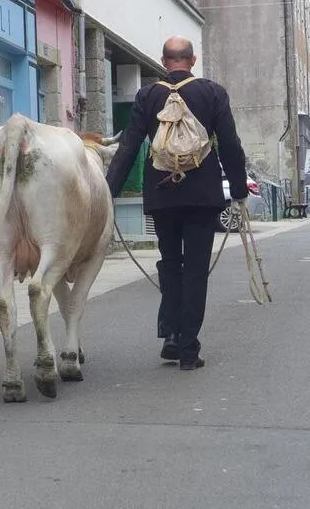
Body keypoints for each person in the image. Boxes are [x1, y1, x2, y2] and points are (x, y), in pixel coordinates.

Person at [105, 36, 249, 370]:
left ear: (163, 61)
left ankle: (170, 335)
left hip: (162, 194)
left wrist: (108, 191)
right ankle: (188, 350)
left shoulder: (148, 95)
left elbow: (128, 146)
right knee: (196, 270)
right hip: (202, 196)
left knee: (171, 264)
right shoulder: (213, 92)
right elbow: (229, 144)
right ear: (193, 60)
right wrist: (239, 190)